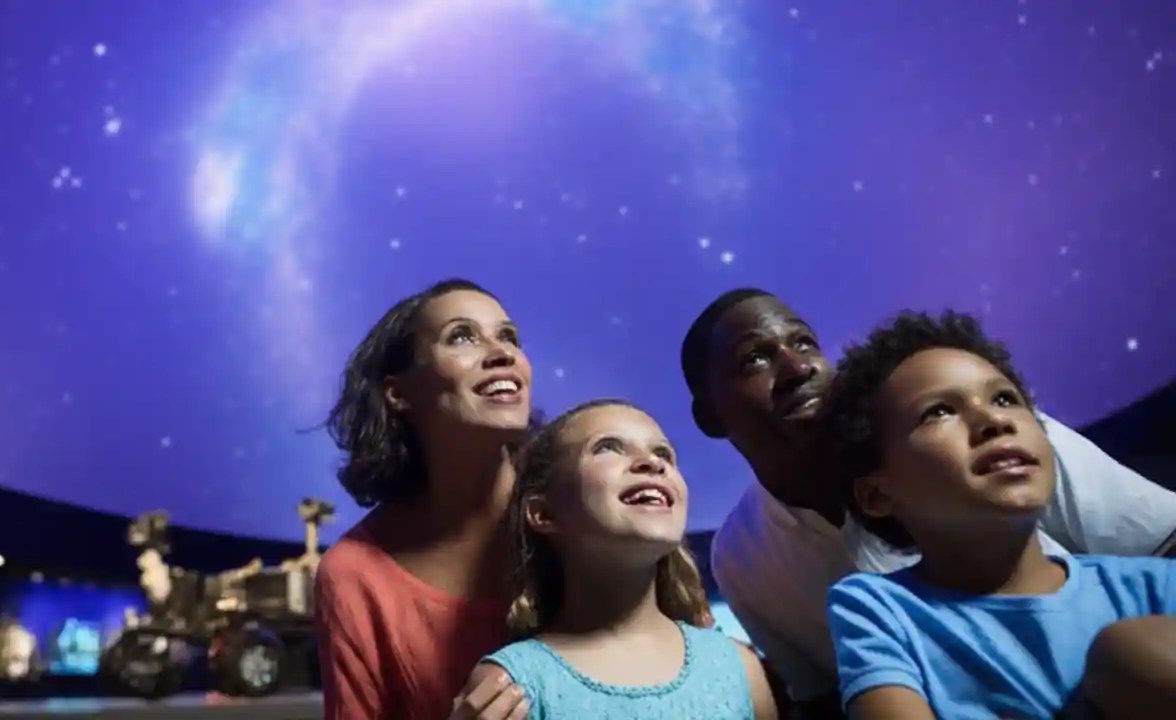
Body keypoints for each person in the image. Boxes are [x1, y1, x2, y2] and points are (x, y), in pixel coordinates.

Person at [680, 289, 1176, 712]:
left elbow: (1160, 540)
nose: (797, 366)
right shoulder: (743, 560)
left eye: (804, 342)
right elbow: (821, 700)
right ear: (709, 417)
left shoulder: (1007, 445)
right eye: (754, 360)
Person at [823, 310, 1176, 718]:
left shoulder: (1156, 587)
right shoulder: (880, 610)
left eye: (1005, 399)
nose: (993, 420)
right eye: (938, 411)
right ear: (876, 494)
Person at [466, 399, 779, 719]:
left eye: (663, 454)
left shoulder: (740, 670)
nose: (652, 463)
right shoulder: (511, 688)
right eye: (608, 448)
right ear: (544, 513)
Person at [314, 279, 535, 720]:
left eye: (508, 336)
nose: (501, 353)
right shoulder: (355, 576)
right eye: (462, 336)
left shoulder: (584, 513)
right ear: (398, 394)